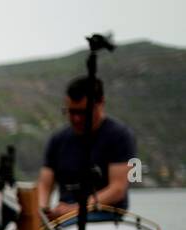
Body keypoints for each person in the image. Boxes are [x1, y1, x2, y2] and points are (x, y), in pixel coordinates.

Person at [36, 76, 135, 221]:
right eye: (71, 112)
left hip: (105, 213)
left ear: (100, 103)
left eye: (82, 113)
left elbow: (118, 189)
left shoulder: (119, 136)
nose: (76, 119)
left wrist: (75, 209)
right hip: (64, 215)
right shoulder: (57, 140)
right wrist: (42, 211)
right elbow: (44, 184)